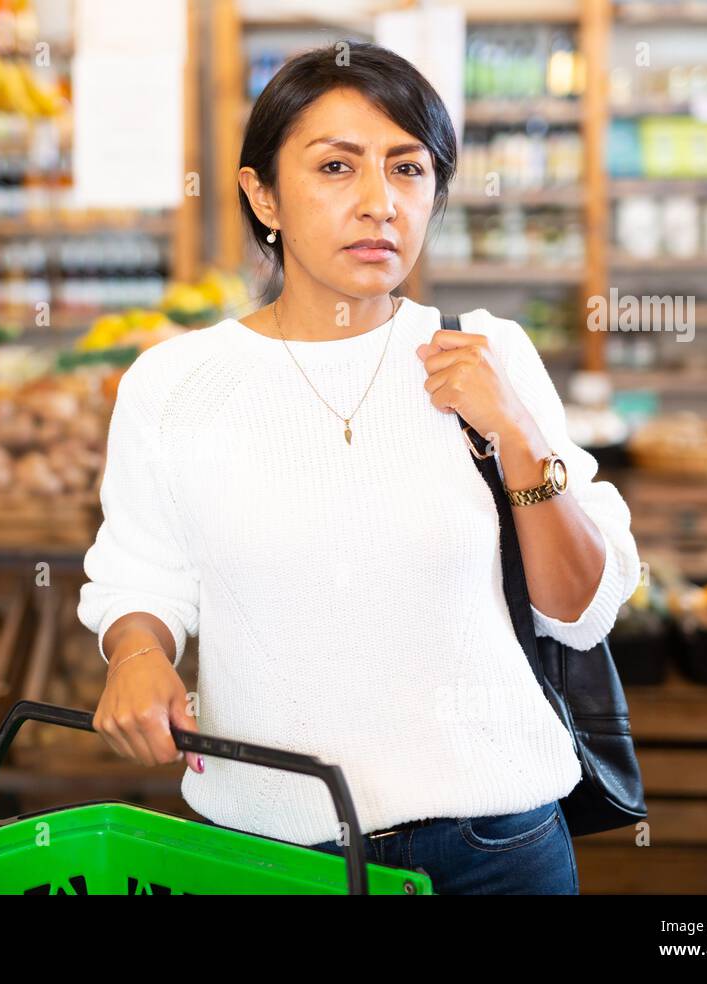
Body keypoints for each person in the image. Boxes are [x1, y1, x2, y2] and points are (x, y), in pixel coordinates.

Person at [76, 43, 639, 895]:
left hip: (497, 851)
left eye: (408, 169)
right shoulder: (175, 383)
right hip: (267, 854)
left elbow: (579, 609)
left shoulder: (491, 356)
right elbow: (140, 579)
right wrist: (136, 655)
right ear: (261, 194)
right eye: (336, 166)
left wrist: (519, 434)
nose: (379, 203)